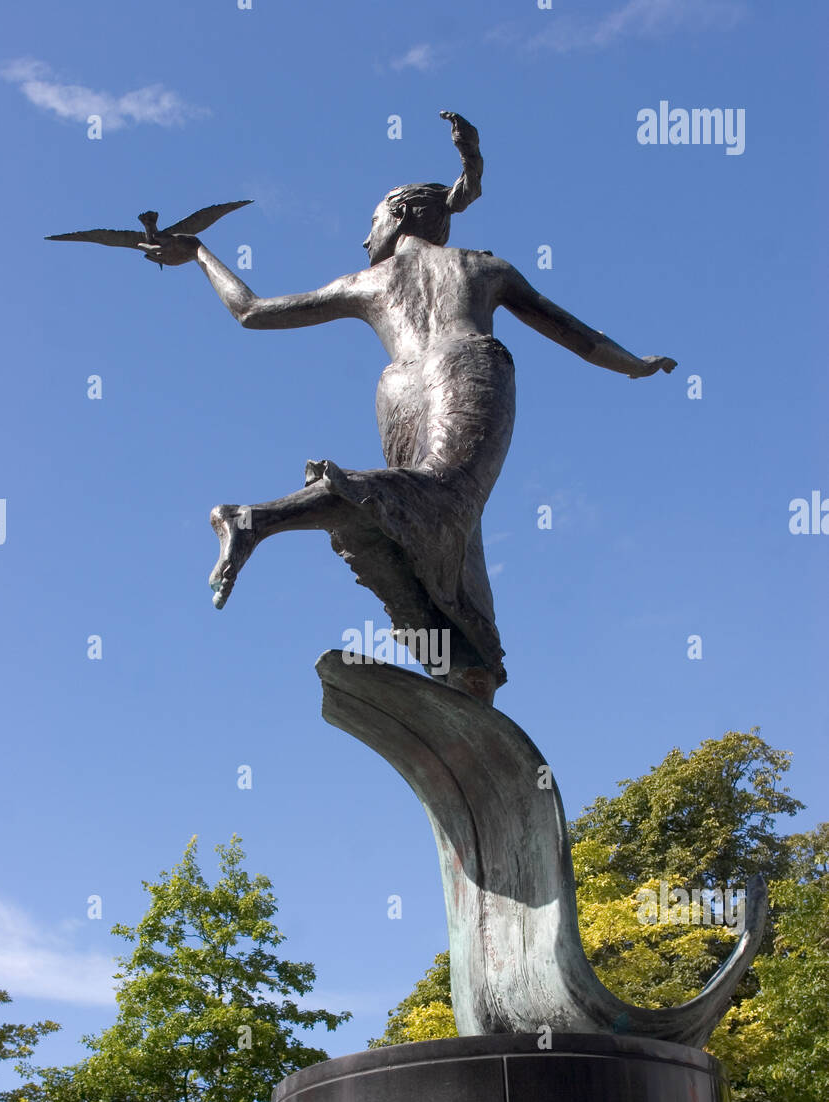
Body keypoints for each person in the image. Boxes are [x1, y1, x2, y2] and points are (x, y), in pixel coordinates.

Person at [148, 112, 676, 704]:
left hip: (399, 388)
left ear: (399, 216)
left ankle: (466, 670)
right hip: (465, 369)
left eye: (369, 222)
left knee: (445, 521)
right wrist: (634, 365)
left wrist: (198, 252)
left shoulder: (363, 283)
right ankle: (256, 518)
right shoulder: (482, 266)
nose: (363, 237)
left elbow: (250, 310)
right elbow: (575, 335)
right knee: (444, 495)